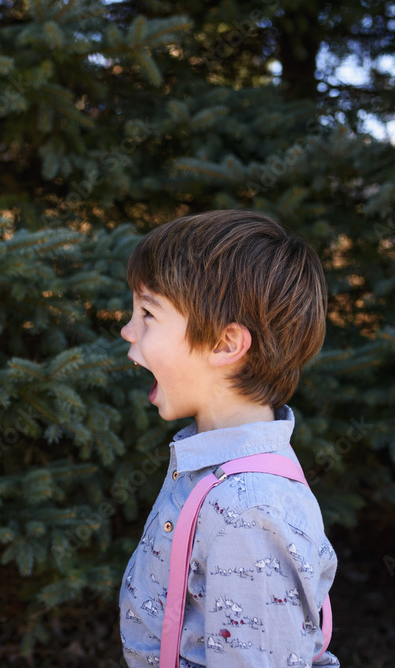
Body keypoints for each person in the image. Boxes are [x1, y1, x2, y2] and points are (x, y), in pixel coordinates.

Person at [118, 210, 339, 667]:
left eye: (147, 313)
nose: (127, 329)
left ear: (225, 344)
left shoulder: (249, 510)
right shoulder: (211, 466)